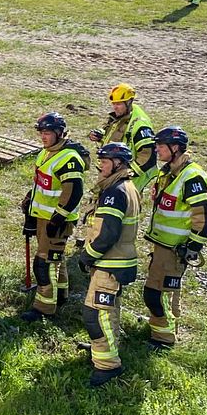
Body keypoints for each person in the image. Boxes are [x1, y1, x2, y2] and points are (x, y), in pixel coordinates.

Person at [143, 126, 207, 351]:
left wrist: (193, 247)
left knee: (157, 293)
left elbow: (205, 216)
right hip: (162, 243)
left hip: (174, 248)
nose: (156, 150)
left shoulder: (192, 177)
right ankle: (161, 326)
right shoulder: (168, 171)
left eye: (160, 147)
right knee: (162, 290)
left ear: (175, 148)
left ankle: (163, 340)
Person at [77, 143, 140, 387]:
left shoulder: (115, 192)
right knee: (109, 313)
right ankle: (102, 349)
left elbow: (107, 234)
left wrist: (87, 256)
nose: (100, 164)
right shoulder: (129, 187)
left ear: (119, 163)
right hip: (120, 262)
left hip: (110, 263)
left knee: (94, 315)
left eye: (105, 160)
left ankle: (107, 366)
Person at [20, 112, 86, 321]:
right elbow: (40, 184)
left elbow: (74, 192)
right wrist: (30, 207)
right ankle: (61, 294)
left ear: (59, 133)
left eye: (47, 133)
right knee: (56, 258)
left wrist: (59, 218)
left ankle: (44, 309)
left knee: (44, 264)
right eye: (41, 132)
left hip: (56, 221)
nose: (43, 137)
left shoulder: (69, 159)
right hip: (43, 217)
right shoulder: (46, 153)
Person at [88, 83, 156, 192]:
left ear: (129, 102)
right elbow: (112, 134)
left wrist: (126, 173)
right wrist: (99, 135)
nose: (115, 107)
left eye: (119, 104)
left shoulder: (140, 126)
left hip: (128, 179)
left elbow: (148, 157)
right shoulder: (120, 116)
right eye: (113, 103)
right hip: (114, 170)